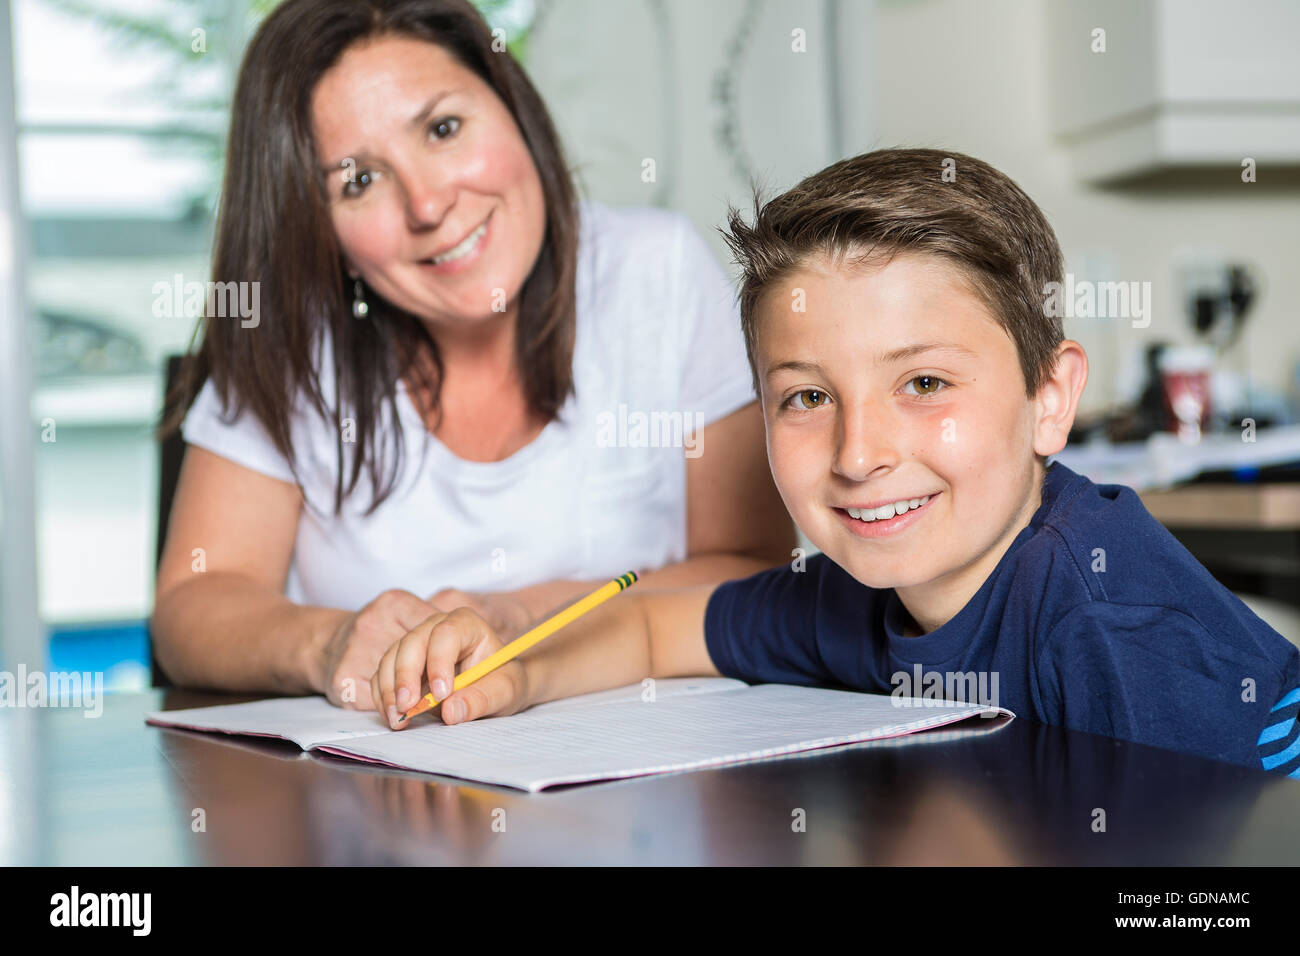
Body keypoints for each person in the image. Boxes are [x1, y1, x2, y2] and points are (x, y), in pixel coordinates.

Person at [373, 147, 1300, 775]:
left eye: (926, 384)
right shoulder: (859, 596)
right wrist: (515, 672)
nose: (860, 454)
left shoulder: (1115, 629)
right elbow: (658, 632)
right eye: (808, 398)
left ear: (1048, 401)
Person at [150, 0, 794, 717]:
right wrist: (329, 644)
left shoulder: (658, 271)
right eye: (357, 180)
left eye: (443, 128)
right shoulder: (294, 340)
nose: (428, 204)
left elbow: (754, 570)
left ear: (515, 108)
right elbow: (191, 608)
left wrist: (519, 615)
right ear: (318, 228)